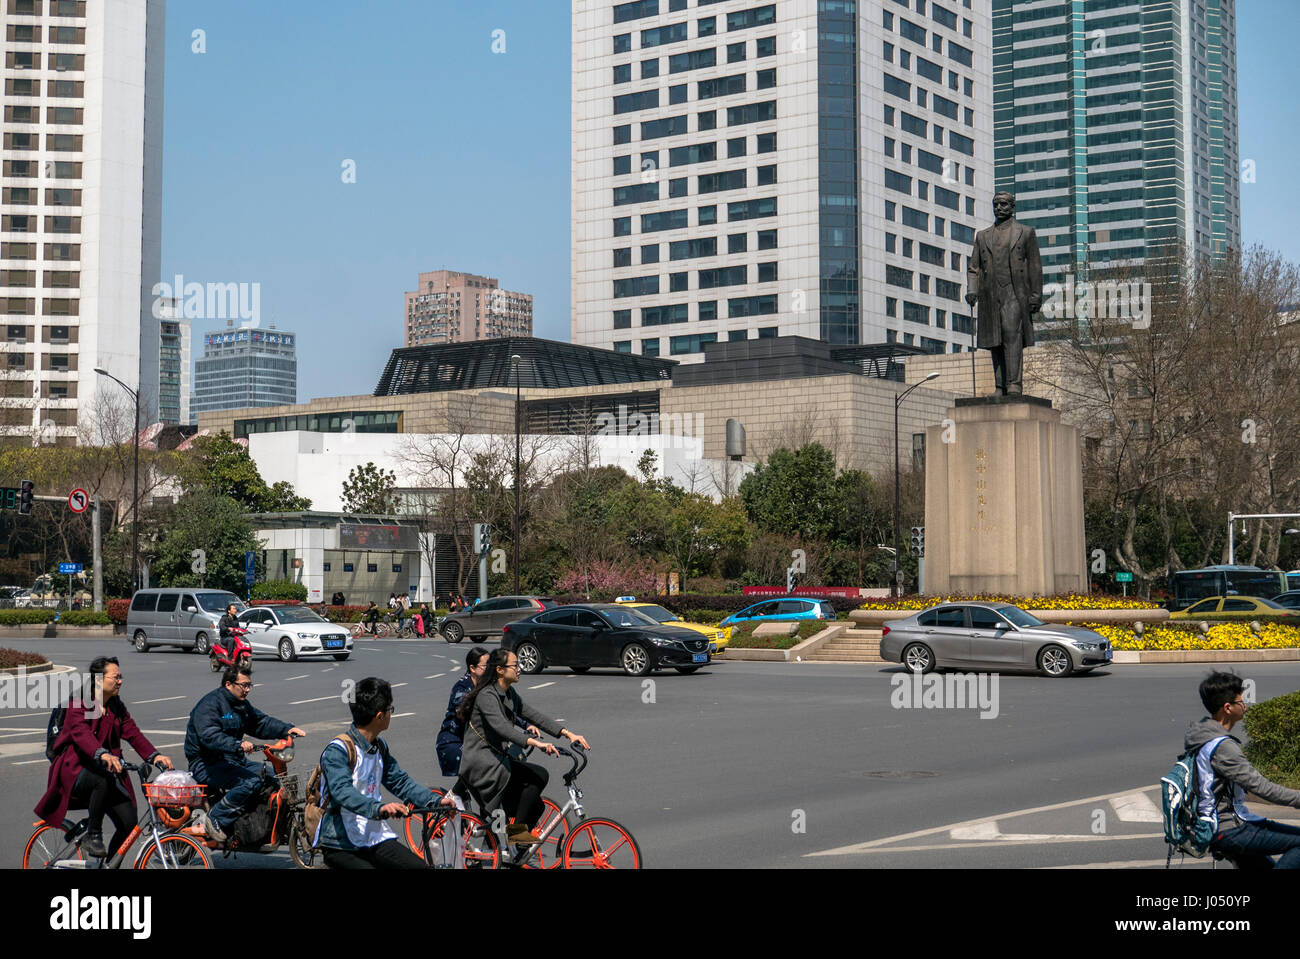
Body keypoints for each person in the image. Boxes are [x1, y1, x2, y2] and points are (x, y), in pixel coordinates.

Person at [36, 657, 174, 859]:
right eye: (115, 677)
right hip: (74, 770)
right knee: (102, 778)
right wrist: (102, 753)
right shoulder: (79, 702)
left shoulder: (116, 706)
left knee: (129, 824)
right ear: (98, 680)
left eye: (121, 677)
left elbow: (132, 733)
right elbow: (81, 733)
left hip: (106, 770)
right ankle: (93, 834)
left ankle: (109, 866)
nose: (120, 681)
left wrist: (154, 756)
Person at [316, 677, 454, 869]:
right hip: (341, 843)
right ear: (379, 716)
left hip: (374, 836)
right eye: (390, 709)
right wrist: (379, 808)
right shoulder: (338, 750)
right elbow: (342, 792)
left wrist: (435, 801)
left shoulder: (379, 747)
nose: (391, 714)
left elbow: (400, 781)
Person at [457, 648, 589, 846]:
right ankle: (515, 835)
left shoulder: (509, 693)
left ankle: (511, 843)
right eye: (515, 665)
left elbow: (533, 715)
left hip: (497, 759)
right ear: (500, 670)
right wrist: (535, 742)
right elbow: (501, 727)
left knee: (536, 807)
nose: (519, 668)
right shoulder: (487, 695)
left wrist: (568, 734)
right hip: (482, 762)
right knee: (538, 776)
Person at [1186, 671, 1300, 869]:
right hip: (1230, 829)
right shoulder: (1223, 747)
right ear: (1228, 708)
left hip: (1221, 824)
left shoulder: (1203, 735)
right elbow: (1262, 787)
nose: (1245, 705)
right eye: (1241, 701)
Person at [184, 664, 306, 843]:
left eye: (250, 685)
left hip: (232, 760)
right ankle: (215, 818)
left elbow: (260, 723)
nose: (247, 689)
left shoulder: (240, 705)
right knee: (251, 782)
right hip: (206, 764)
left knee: (273, 777)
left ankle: (250, 825)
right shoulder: (210, 705)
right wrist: (237, 744)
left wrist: (287, 729)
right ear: (228, 684)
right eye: (244, 685)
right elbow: (209, 736)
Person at [965, 191, 1042, 396]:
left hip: (1015, 293)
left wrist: (1035, 295)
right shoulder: (982, 236)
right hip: (990, 294)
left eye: (1004, 204)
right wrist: (972, 290)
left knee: (1011, 334)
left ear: (1012, 207)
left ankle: (1014, 384)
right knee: (994, 339)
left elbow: (1034, 266)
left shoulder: (1025, 233)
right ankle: (999, 386)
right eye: (996, 204)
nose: (999, 208)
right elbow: (974, 268)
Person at [436, 647, 539, 780]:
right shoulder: (461, 688)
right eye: (486, 666)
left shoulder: (488, 687)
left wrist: (526, 724)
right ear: (473, 668)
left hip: (476, 742)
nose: (491, 669)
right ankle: (456, 795)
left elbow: (504, 707)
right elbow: (488, 712)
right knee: (489, 772)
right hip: (455, 743)